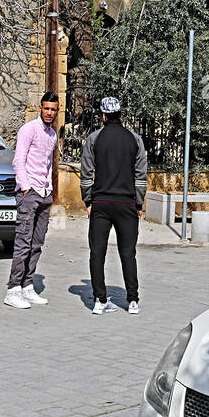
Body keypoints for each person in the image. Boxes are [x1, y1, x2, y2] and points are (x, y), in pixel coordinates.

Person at [80, 96, 147, 315]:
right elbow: (140, 176)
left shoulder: (94, 139)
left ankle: (99, 300)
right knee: (128, 252)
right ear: (120, 114)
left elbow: (86, 174)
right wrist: (138, 202)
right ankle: (133, 300)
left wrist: (88, 200)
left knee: (97, 252)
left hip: (100, 203)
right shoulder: (134, 139)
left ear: (103, 116)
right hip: (126, 203)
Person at [4, 92, 59, 310]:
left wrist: (50, 190)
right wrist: (26, 188)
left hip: (45, 193)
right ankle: (13, 288)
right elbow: (18, 160)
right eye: (46, 108)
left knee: (37, 243)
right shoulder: (28, 130)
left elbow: (48, 165)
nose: (49, 113)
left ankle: (28, 285)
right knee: (23, 242)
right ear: (40, 108)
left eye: (53, 109)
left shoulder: (52, 134)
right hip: (29, 193)